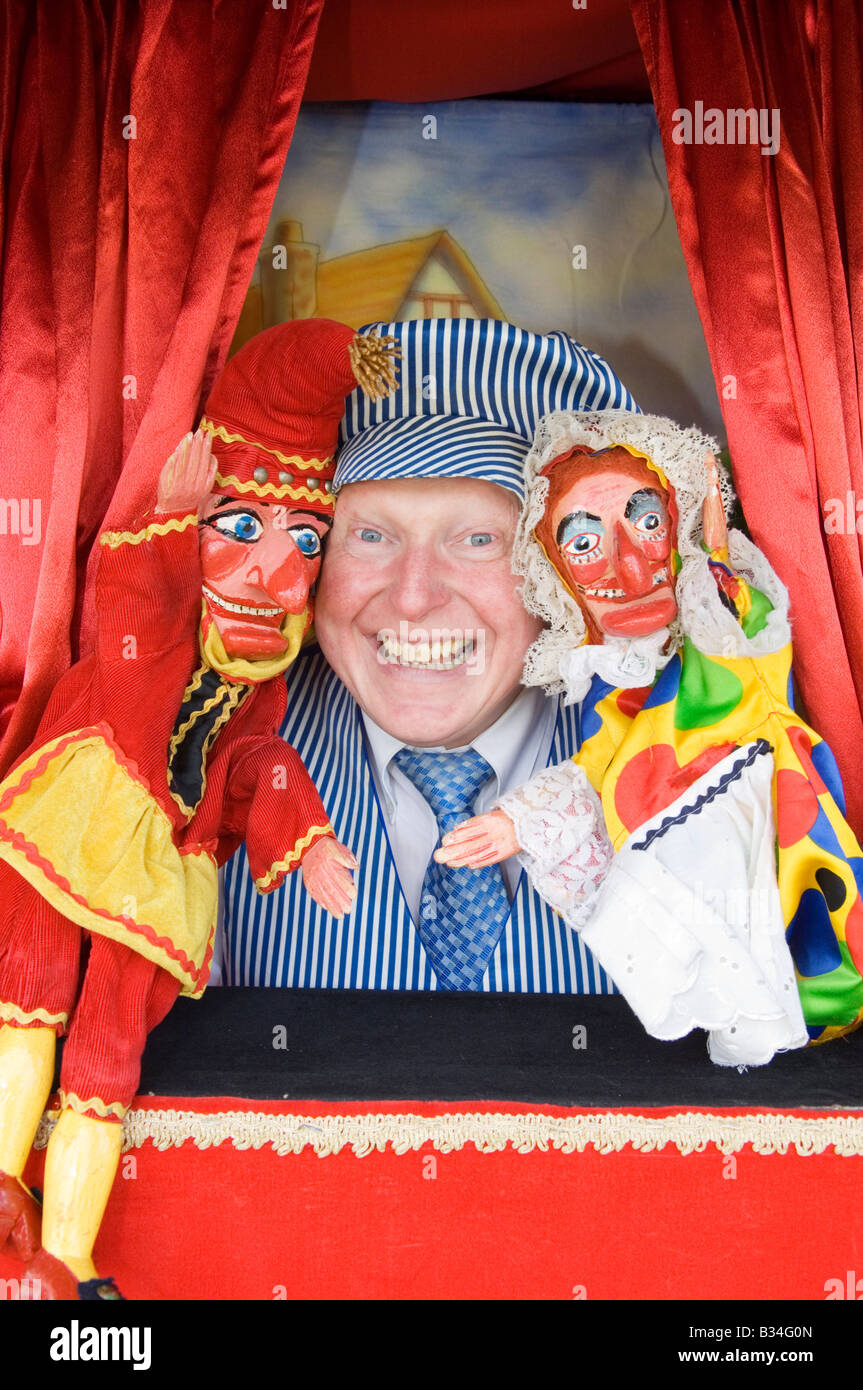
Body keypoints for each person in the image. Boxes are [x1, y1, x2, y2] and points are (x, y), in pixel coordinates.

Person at [0, 318, 394, 1298]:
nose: (273, 568)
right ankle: (5, 1178)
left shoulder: (260, 676)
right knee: (28, 1001)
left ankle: (71, 1257)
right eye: (244, 527)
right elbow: (131, 611)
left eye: (304, 540)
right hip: (81, 806)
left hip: (164, 860)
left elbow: (253, 757)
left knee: (106, 1055)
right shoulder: (163, 598)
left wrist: (303, 836)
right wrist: (171, 532)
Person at [438, 409, 863, 1065]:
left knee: (745, 905)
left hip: (761, 813)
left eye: (647, 524)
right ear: (557, 577)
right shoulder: (611, 679)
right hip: (679, 832)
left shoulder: (725, 617)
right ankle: (739, 1012)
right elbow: (598, 766)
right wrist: (516, 822)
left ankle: (765, 1012)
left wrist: (715, 564)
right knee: (690, 913)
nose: (629, 567)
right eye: (583, 545)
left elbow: (748, 659)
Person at [223, 316, 635, 992]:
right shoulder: (217, 754)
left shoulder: (670, 750)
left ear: (559, 573)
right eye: (370, 537)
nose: (413, 598)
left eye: (477, 540)